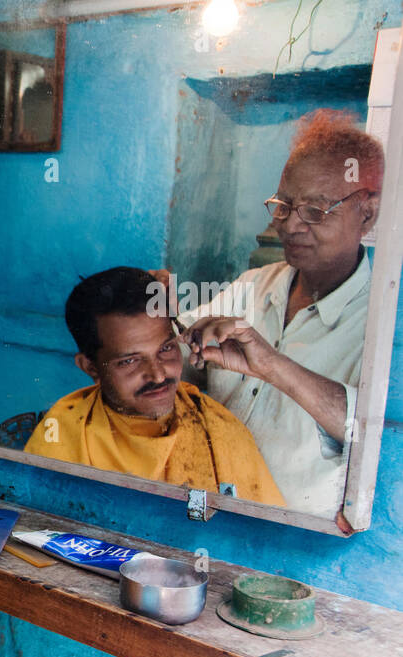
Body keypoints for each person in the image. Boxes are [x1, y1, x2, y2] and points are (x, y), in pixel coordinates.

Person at [181, 110, 383, 521]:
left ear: (367, 213)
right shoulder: (253, 286)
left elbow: (369, 433)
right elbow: (181, 352)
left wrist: (270, 364)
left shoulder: (380, 325)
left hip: (292, 541)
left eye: (315, 211)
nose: (290, 226)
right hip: (204, 517)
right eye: (283, 205)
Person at [25, 268, 285, 506]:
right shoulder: (65, 431)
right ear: (91, 367)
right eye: (130, 361)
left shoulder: (218, 430)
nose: (159, 375)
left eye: (166, 348)